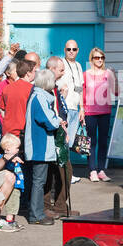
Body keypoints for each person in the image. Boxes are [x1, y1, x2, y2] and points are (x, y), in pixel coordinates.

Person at [22, 69, 63, 225]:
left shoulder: (39, 96)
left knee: (38, 181)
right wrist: (58, 121)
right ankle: (36, 215)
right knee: (38, 182)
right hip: (39, 147)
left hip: (40, 146)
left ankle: (36, 213)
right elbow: (50, 122)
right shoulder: (39, 97)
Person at [42, 55, 74, 218]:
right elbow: (51, 112)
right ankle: (50, 205)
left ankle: (60, 205)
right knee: (60, 170)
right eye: (61, 68)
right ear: (52, 69)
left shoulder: (55, 87)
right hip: (53, 135)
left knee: (61, 171)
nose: (63, 71)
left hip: (59, 134)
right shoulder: (46, 88)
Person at [82, 46, 118, 181]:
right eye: (97, 57)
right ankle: (92, 170)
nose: (100, 60)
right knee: (91, 142)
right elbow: (81, 92)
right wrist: (81, 108)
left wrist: (114, 77)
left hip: (105, 111)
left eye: (102, 57)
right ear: (92, 59)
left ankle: (101, 170)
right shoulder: (85, 74)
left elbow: (116, 92)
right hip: (90, 112)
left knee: (103, 141)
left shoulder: (108, 74)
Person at [0, 57, 36, 140]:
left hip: (7, 132)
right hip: (22, 133)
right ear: (28, 73)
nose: (35, 74)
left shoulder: (7, 88)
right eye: (34, 71)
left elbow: (2, 111)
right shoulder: (32, 89)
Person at [61, 40, 84, 145]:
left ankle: (67, 162)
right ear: (64, 50)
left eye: (74, 49)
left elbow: (79, 88)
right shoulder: (61, 64)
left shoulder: (78, 65)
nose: (71, 51)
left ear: (77, 50)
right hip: (65, 108)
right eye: (68, 49)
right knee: (63, 141)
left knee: (70, 142)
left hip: (75, 109)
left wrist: (82, 108)